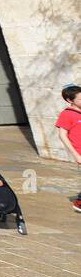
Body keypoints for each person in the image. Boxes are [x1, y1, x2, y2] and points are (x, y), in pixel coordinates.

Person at [56, 84, 81, 213]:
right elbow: (62, 135)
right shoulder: (67, 114)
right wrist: (76, 155)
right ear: (70, 100)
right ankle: (79, 203)